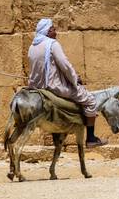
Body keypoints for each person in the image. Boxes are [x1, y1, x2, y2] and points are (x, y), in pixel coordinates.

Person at [26, 18, 103, 146]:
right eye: (53, 29)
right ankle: (90, 138)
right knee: (90, 100)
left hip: (36, 87)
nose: (55, 32)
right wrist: (74, 79)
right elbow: (65, 65)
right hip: (54, 87)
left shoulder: (32, 46)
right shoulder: (52, 44)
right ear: (48, 31)